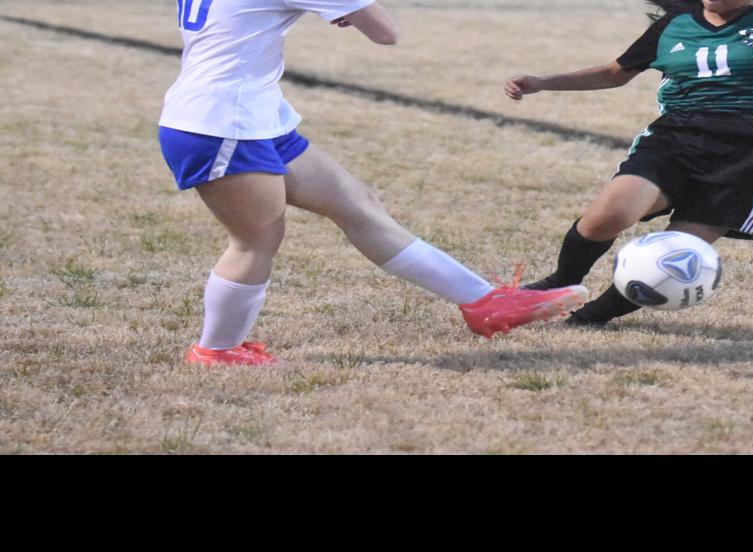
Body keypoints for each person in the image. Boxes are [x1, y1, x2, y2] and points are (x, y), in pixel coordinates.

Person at [160, 0, 587, 366]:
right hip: (222, 122)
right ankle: (217, 351)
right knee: (254, 242)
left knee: (356, 204)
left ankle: (484, 302)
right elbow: (385, 31)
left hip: (252, 114)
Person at [505, 0, 753, 326]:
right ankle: (562, 282)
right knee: (606, 216)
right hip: (672, 145)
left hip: (746, 163)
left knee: (670, 263)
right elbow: (616, 72)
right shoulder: (674, 25)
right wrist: (542, 82)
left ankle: (593, 316)